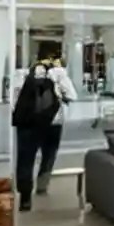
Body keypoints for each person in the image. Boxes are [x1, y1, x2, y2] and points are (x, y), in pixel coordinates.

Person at [11, 63, 59, 211]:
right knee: (48, 156)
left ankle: (25, 198)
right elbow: (59, 101)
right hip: (47, 126)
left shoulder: (22, 81)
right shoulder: (51, 81)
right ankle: (42, 185)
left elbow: (15, 105)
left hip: (26, 127)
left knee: (25, 161)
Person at [38, 60, 77, 196]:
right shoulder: (60, 75)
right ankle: (42, 184)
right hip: (54, 121)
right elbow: (72, 96)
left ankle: (23, 187)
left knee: (29, 154)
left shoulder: (34, 74)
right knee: (49, 154)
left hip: (36, 121)